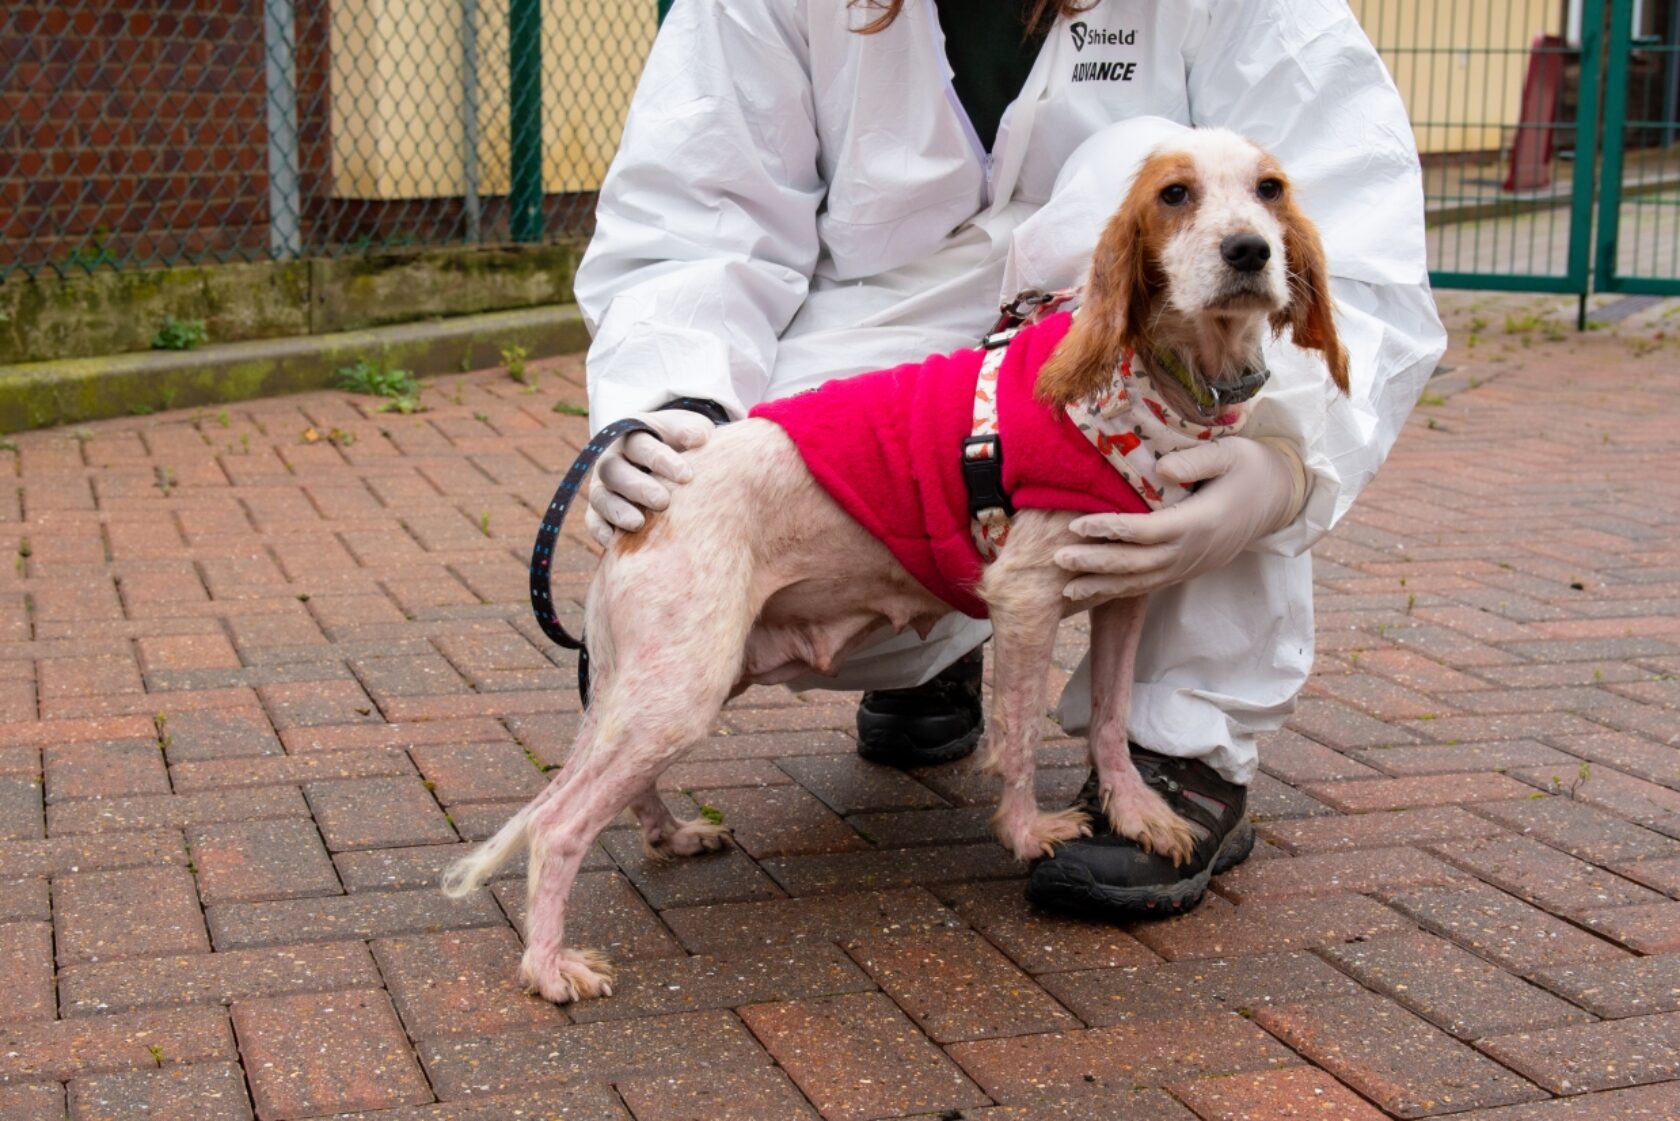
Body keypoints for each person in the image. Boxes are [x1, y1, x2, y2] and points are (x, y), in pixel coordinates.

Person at [571, 0, 1446, 917]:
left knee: (1158, 188)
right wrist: (674, 400)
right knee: (739, 535)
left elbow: (1349, 221)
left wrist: (1285, 460)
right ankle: (939, 635)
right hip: (884, 322)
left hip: (1152, 329)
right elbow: (700, 206)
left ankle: (1180, 739)